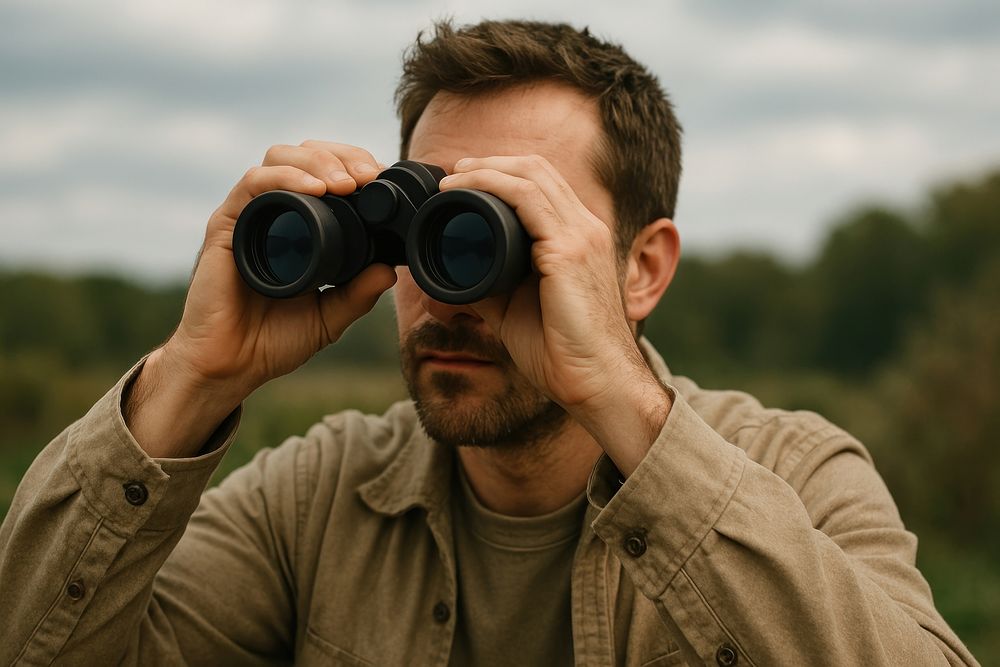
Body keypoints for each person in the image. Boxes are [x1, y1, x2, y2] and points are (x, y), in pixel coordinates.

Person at [0, 19, 977, 667]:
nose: (444, 287)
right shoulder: (315, 499)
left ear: (641, 269)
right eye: (430, 226)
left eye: (493, 234)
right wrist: (190, 375)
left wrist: (622, 403)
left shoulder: (797, 475)